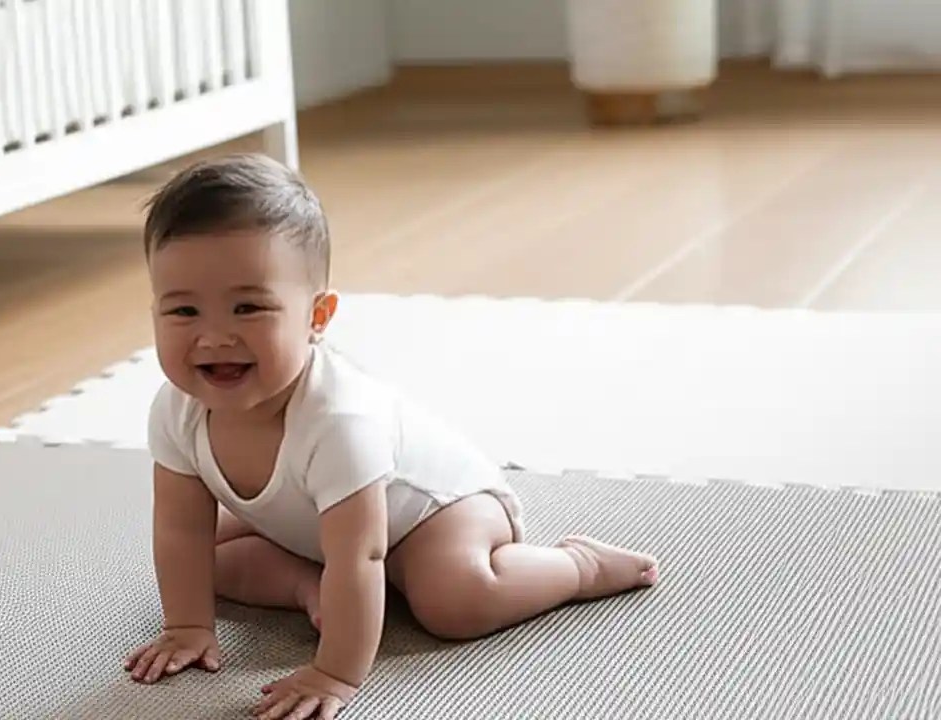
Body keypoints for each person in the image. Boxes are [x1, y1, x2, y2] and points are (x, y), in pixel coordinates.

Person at [123, 153, 658, 720]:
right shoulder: (177, 408)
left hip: (433, 514)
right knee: (201, 555)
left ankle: (578, 567)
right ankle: (311, 589)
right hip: (316, 526)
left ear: (317, 317)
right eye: (183, 311)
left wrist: (334, 671)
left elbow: (363, 552)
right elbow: (179, 527)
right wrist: (186, 625)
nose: (214, 337)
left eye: (248, 307)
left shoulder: (338, 422)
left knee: (454, 602)